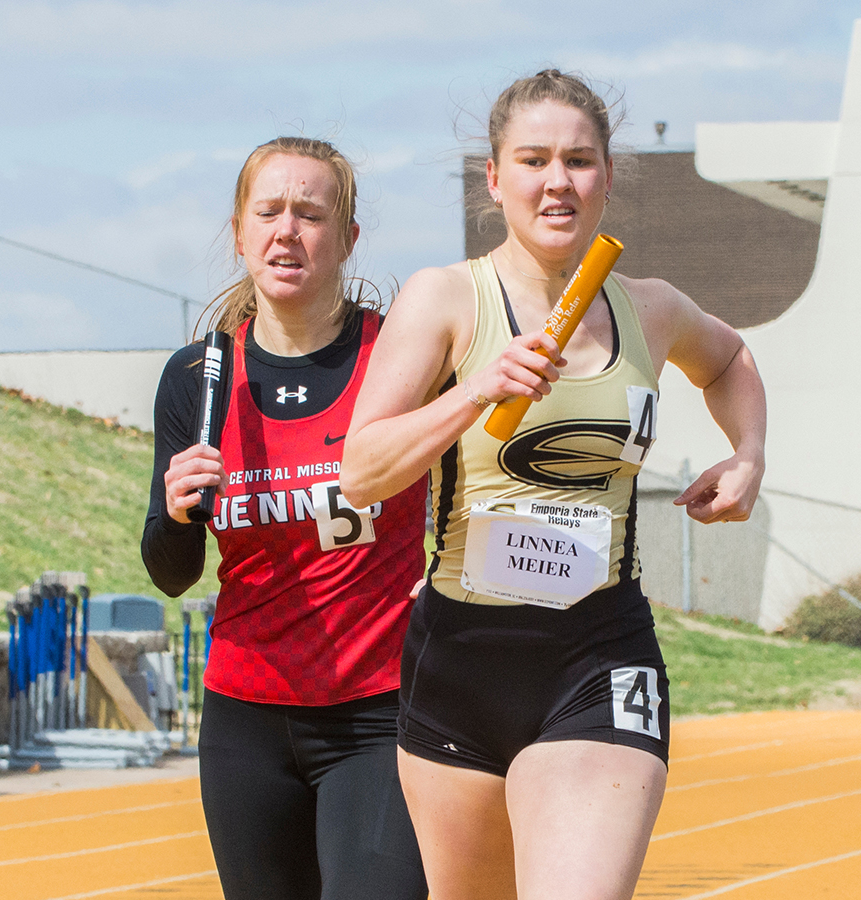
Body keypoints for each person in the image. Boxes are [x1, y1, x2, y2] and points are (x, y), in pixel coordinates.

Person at [340, 70, 768, 900]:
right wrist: (474, 390)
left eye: (578, 160)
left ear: (607, 176)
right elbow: (362, 471)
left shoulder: (652, 308)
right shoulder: (445, 300)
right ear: (494, 180)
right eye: (533, 160)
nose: (557, 180)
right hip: (460, 660)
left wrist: (748, 451)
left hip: (598, 655)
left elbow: (731, 359)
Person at [139, 137, 427, 900]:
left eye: (311, 213)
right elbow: (172, 575)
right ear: (240, 234)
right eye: (268, 212)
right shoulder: (198, 376)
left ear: (347, 237)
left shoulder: (401, 360)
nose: (286, 232)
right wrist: (174, 513)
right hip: (246, 724)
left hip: (380, 714)